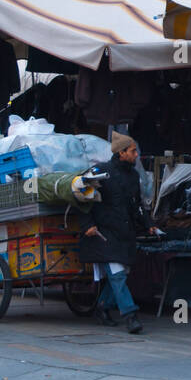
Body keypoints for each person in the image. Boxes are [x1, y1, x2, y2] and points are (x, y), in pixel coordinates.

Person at [80, 133, 158, 334]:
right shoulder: (101, 171)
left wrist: (147, 223)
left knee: (121, 274)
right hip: (103, 233)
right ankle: (131, 316)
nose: (136, 155)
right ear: (121, 152)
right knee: (117, 276)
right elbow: (82, 197)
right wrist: (87, 224)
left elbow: (136, 205)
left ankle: (103, 307)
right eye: (133, 151)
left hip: (125, 232)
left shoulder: (133, 176)